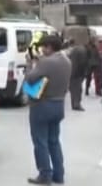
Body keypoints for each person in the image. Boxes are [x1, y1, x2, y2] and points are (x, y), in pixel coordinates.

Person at [24, 35, 72, 185]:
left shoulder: (46, 62)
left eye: (43, 47)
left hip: (42, 105)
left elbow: (30, 78)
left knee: (40, 141)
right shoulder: (67, 61)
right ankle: (59, 174)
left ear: (50, 47)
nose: (42, 50)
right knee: (54, 141)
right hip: (58, 104)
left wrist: (31, 64)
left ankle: (45, 174)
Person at [67, 40, 89, 111]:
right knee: (78, 89)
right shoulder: (82, 50)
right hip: (77, 73)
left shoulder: (74, 50)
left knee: (73, 89)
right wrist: (84, 73)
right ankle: (76, 104)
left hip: (72, 72)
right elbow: (83, 63)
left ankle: (74, 104)